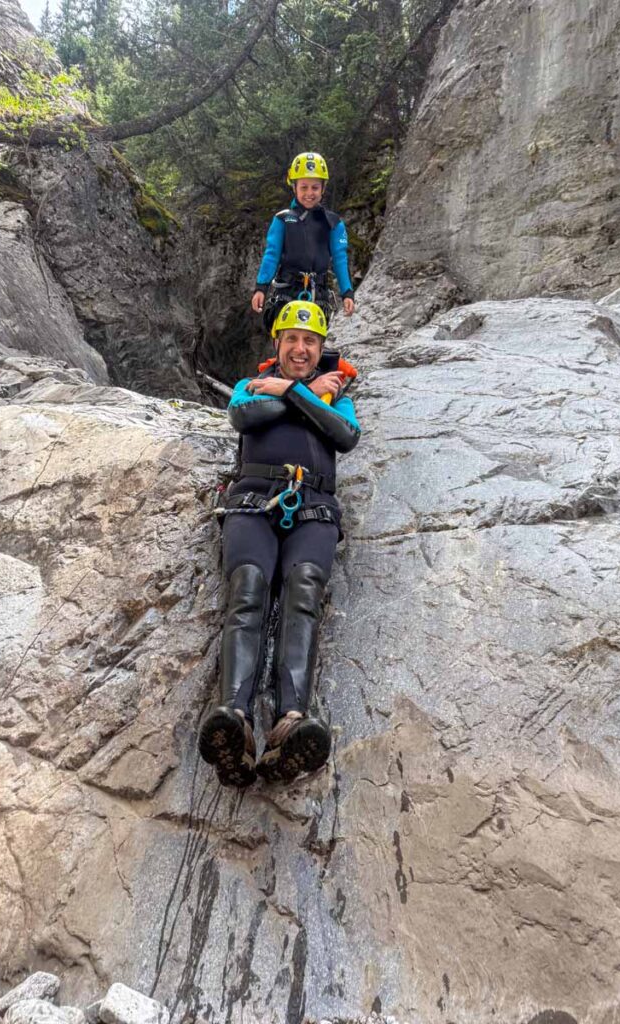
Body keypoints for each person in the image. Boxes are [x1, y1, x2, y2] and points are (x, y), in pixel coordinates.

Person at [199, 300, 361, 787]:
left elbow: (346, 435)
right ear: (278, 343)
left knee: (303, 591)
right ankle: (235, 718)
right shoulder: (252, 386)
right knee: (248, 589)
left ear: (319, 348)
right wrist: (307, 395)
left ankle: (291, 722)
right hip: (252, 502)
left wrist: (292, 390)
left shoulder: (333, 395)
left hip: (313, 506)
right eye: (291, 338)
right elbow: (247, 417)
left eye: (309, 341)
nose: (300, 347)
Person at [251, 151, 356, 335]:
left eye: (315, 188)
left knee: (313, 342)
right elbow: (272, 255)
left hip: (319, 294)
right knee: (285, 338)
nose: (309, 193)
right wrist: (261, 288)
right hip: (287, 292)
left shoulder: (333, 222)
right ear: (294, 188)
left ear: (323, 189)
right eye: (304, 187)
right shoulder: (282, 219)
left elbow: (340, 259)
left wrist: (347, 293)